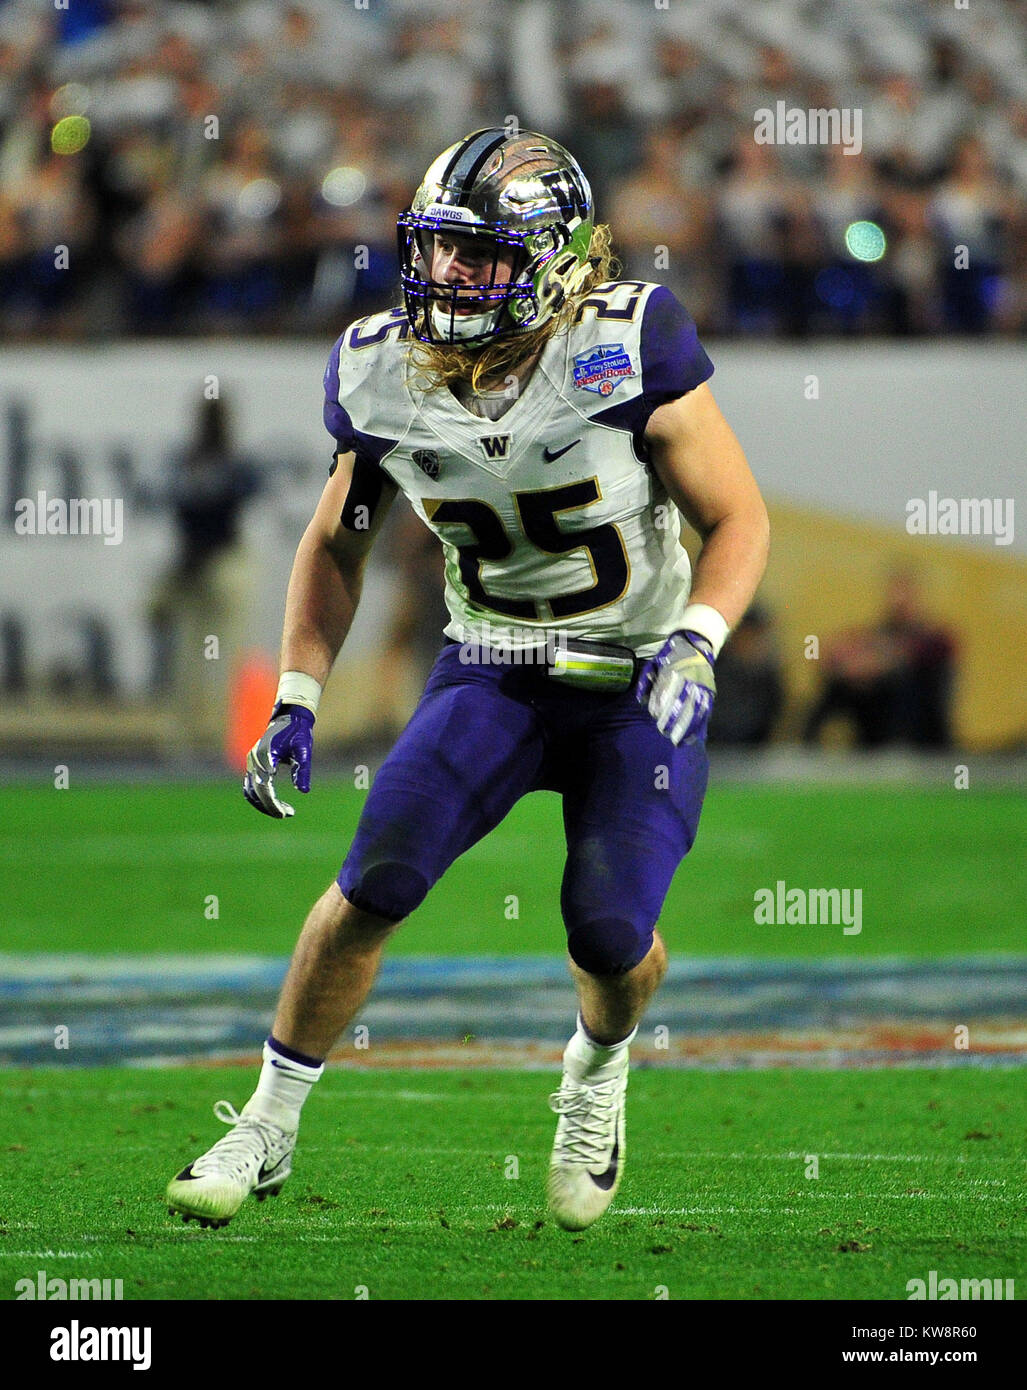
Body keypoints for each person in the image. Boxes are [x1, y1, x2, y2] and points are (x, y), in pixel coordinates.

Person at [166, 128, 770, 1233]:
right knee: (374, 878)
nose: (446, 277)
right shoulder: (381, 366)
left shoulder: (629, 341)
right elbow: (336, 542)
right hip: (488, 664)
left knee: (606, 929)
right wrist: (296, 694)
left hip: (635, 677)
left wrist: (698, 639)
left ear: (551, 256)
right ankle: (265, 1121)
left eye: (479, 256)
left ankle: (596, 1072)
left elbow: (737, 517)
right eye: (437, 250)